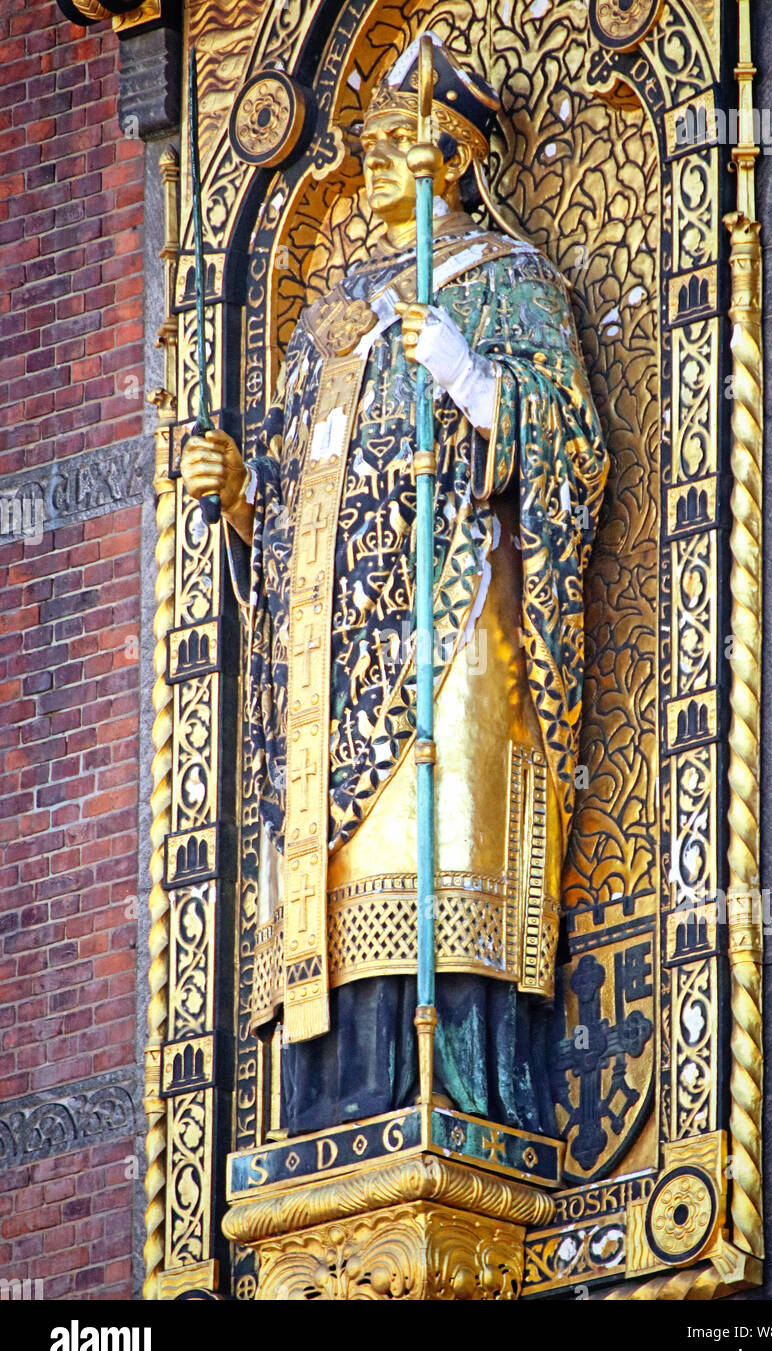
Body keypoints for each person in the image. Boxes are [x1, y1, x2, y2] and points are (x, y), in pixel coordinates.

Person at [180, 35, 610, 1137]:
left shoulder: (512, 286)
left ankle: (459, 1079)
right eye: (364, 143)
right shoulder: (329, 322)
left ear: (455, 158)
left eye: (399, 142)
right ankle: (339, 1099)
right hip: (337, 639)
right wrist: (238, 496)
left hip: (458, 617)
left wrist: (469, 376)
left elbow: (573, 444)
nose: (373, 162)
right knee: (337, 856)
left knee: (434, 842)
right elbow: (289, 502)